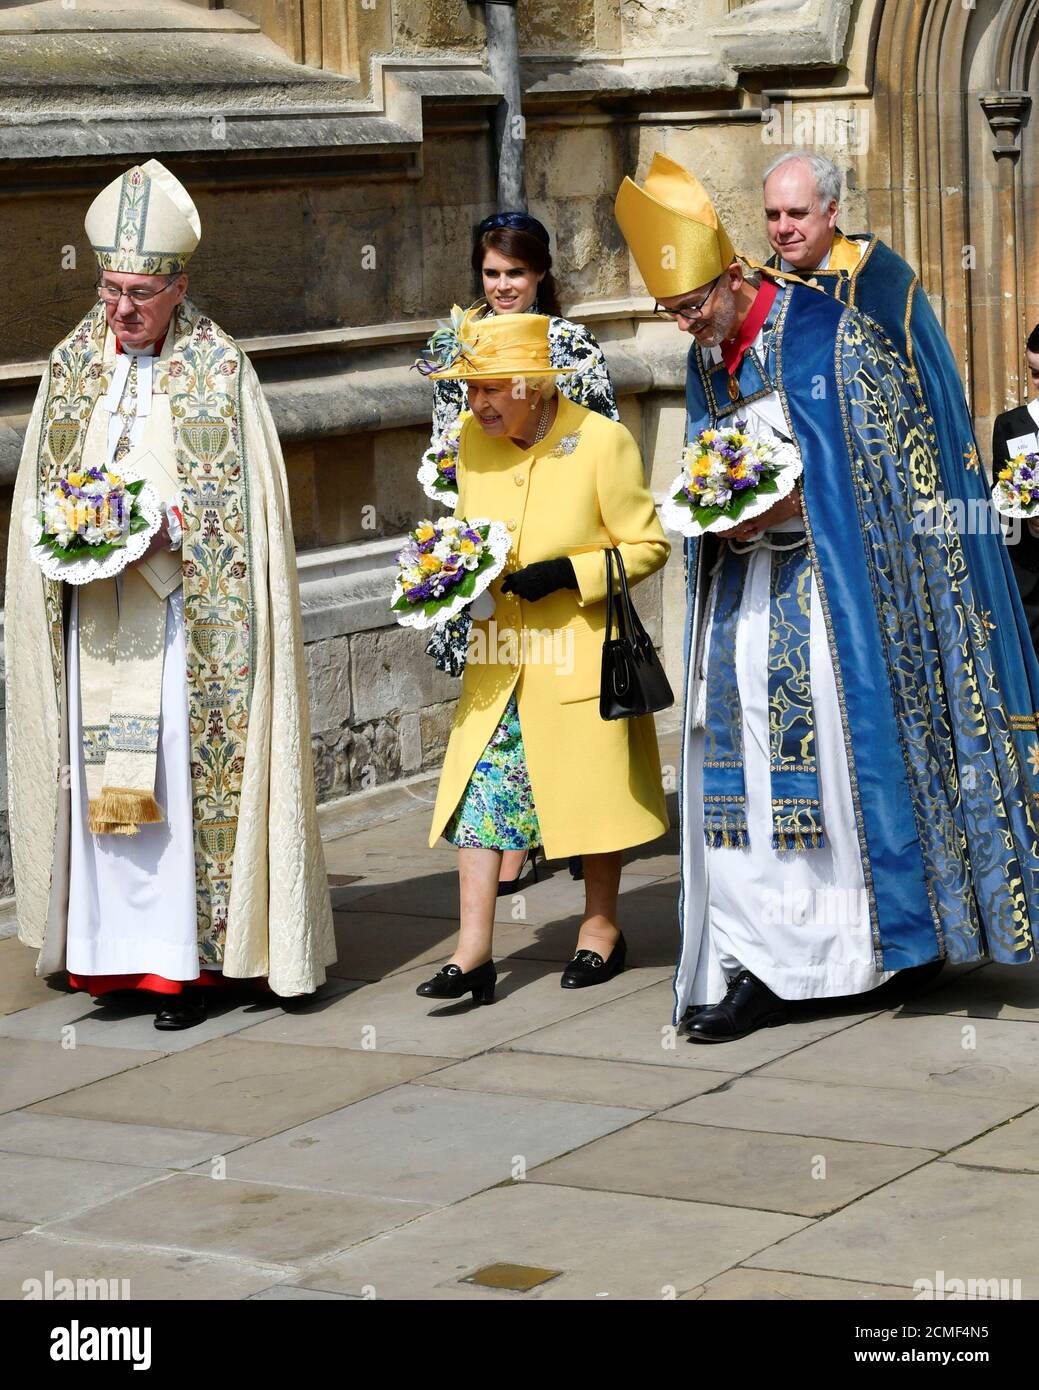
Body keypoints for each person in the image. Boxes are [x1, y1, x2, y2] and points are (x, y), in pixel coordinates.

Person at [615, 152, 1039, 1041]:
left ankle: (848, 954)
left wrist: (805, 502)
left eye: (695, 306)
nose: (691, 326)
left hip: (831, 606)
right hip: (743, 600)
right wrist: (719, 517)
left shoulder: (837, 334)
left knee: (835, 775)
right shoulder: (708, 357)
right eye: (672, 315)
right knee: (736, 774)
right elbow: (708, 460)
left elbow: (896, 469)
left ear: (730, 279)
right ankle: (756, 957)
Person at [6, 160, 335, 1030]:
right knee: (107, 786)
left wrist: (171, 532)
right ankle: (112, 958)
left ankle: (190, 963)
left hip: (187, 625)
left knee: (174, 787)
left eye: (140, 292)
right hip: (97, 619)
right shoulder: (74, 367)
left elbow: (245, 513)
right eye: (111, 289)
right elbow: (47, 482)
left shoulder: (216, 369)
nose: (120, 310)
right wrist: (76, 526)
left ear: (178, 285)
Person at [415, 308, 670, 1005]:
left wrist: (568, 573)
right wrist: (447, 576)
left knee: (589, 800)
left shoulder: (600, 441)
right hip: (498, 653)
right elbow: (466, 538)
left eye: (491, 389)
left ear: (532, 385)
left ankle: (599, 931)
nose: (478, 405)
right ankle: (471, 954)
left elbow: (647, 545)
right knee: (479, 798)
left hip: (577, 652)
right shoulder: (471, 440)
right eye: (471, 391)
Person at [428, 210, 619, 893]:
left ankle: (547, 832)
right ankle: (512, 832)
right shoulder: (456, 339)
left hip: (556, 538)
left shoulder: (573, 346)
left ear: (539, 275)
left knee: (550, 695)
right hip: (479, 528)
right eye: (490, 273)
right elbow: (444, 439)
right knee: (496, 695)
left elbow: (601, 436)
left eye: (515, 273)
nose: (503, 285)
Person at [991, 322, 1039, 650]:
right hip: (1031, 574)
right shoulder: (1011, 424)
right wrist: (1028, 516)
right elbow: (1001, 492)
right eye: (1035, 373)